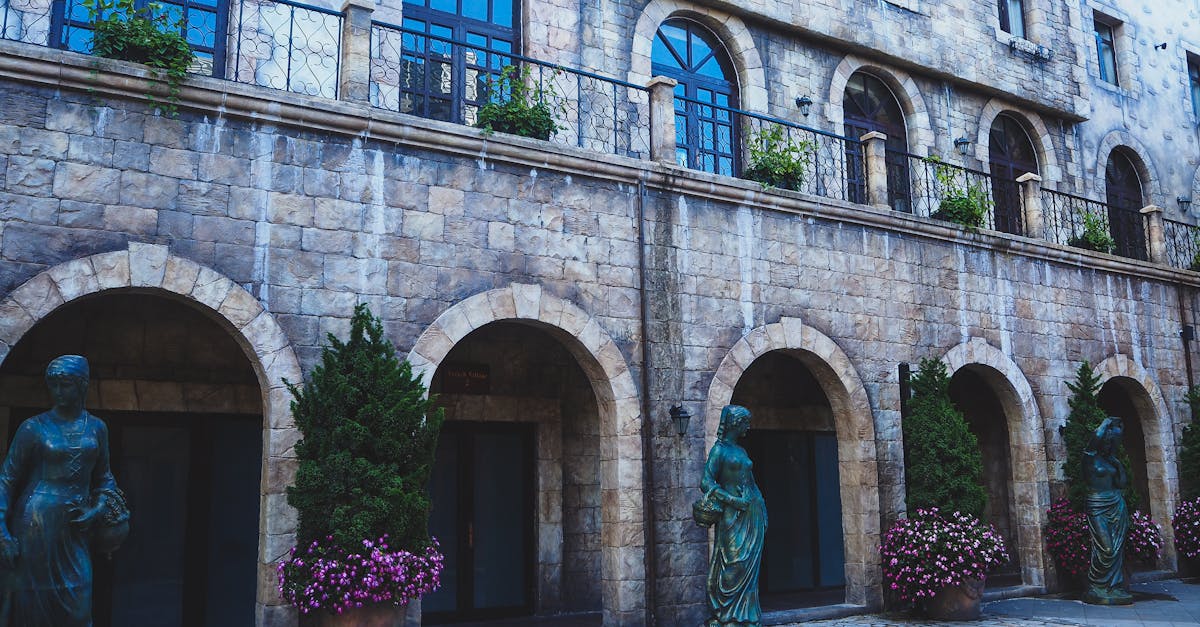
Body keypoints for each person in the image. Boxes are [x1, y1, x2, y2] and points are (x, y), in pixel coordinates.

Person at [0, 355, 128, 626]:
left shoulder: (96, 428)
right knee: (32, 604)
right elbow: (6, 480)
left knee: (78, 606)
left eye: (66, 384)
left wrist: (97, 509)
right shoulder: (33, 428)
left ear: (82, 385)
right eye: (53, 385)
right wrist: (2, 532)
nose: (58, 392)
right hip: (36, 524)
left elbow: (105, 479)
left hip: (74, 530)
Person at [701, 405, 767, 626]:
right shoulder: (719, 450)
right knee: (735, 563)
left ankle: (747, 616)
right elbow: (706, 481)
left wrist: (762, 509)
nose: (748, 426)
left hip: (752, 513)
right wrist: (732, 500)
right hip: (732, 514)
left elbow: (752, 482)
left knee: (750, 565)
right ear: (735, 424)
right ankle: (726, 615)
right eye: (745, 422)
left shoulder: (742, 451)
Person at [1081, 416, 1133, 605]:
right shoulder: (1089, 458)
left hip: (1116, 503)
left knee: (1117, 549)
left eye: (1111, 444)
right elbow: (1093, 441)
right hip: (1097, 504)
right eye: (1106, 443)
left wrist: (1119, 466)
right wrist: (1105, 423)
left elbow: (1121, 483)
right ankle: (1097, 584)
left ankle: (1114, 586)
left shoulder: (1112, 461)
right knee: (1107, 547)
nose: (1108, 447)